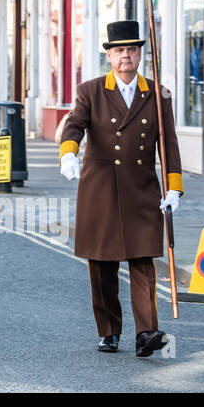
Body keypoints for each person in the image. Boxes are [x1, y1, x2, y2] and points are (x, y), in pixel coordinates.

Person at [58, 19, 182, 357]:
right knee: (102, 265)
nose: (125, 55)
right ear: (109, 56)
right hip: (99, 189)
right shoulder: (91, 91)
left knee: (143, 261)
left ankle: (147, 333)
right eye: (118, 50)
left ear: (140, 53)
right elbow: (73, 127)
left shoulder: (157, 94)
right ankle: (109, 330)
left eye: (131, 49)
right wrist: (69, 155)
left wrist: (174, 187)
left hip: (141, 189)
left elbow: (168, 145)